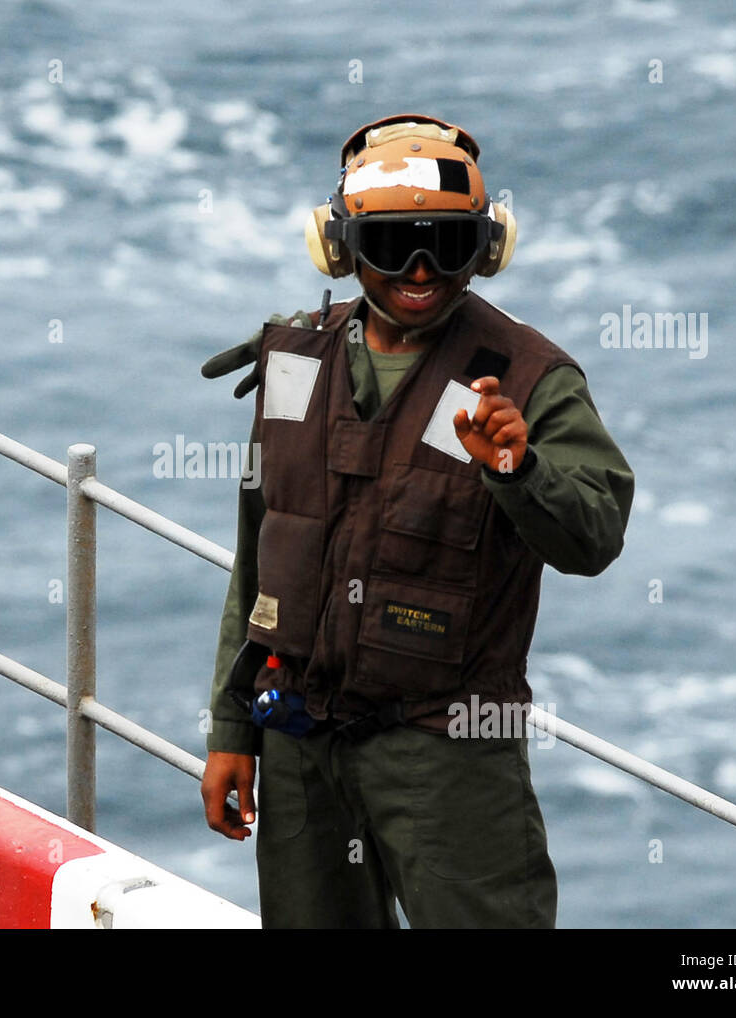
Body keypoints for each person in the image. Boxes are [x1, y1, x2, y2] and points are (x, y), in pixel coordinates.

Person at [198, 114, 634, 928]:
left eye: (448, 244)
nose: (423, 270)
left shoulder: (530, 380)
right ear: (340, 244)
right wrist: (231, 729)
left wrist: (519, 468)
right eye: (396, 245)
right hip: (297, 745)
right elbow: (258, 557)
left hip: (449, 759)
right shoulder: (296, 360)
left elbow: (596, 535)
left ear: (487, 248)